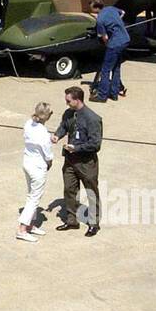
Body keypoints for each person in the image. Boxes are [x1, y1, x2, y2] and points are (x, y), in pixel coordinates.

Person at [51, 86, 103, 236]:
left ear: (77, 100)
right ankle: (71, 220)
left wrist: (77, 148)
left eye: (68, 100)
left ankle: (94, 223)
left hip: (86, 163)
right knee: (69, 190)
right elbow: (64, 126)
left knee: (91, 192)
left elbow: (95, 144)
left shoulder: (93, 119)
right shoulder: (69, 113)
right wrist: (57, 135)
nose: (66, 102)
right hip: (70, 160)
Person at [17, 102, 55, 243]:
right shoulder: (43, 133)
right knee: (34, 198)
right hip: (37, 167)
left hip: (27, 162)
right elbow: (48, 154)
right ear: (46, 116)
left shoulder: (28, 124)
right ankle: (22, 229)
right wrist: (49, 163)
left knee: (31, 194)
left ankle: (31, 225)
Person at [90, 0, 129, 102]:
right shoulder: (111, 9)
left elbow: (105, 37)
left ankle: (102, 95)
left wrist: (107, 45)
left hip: (115, 43)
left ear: (96, 8)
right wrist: (116, 23)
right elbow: (123, 12)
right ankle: (114, 93)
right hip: (125, 39)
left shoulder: (100, 20)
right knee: (116, 67)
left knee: (105, 70)